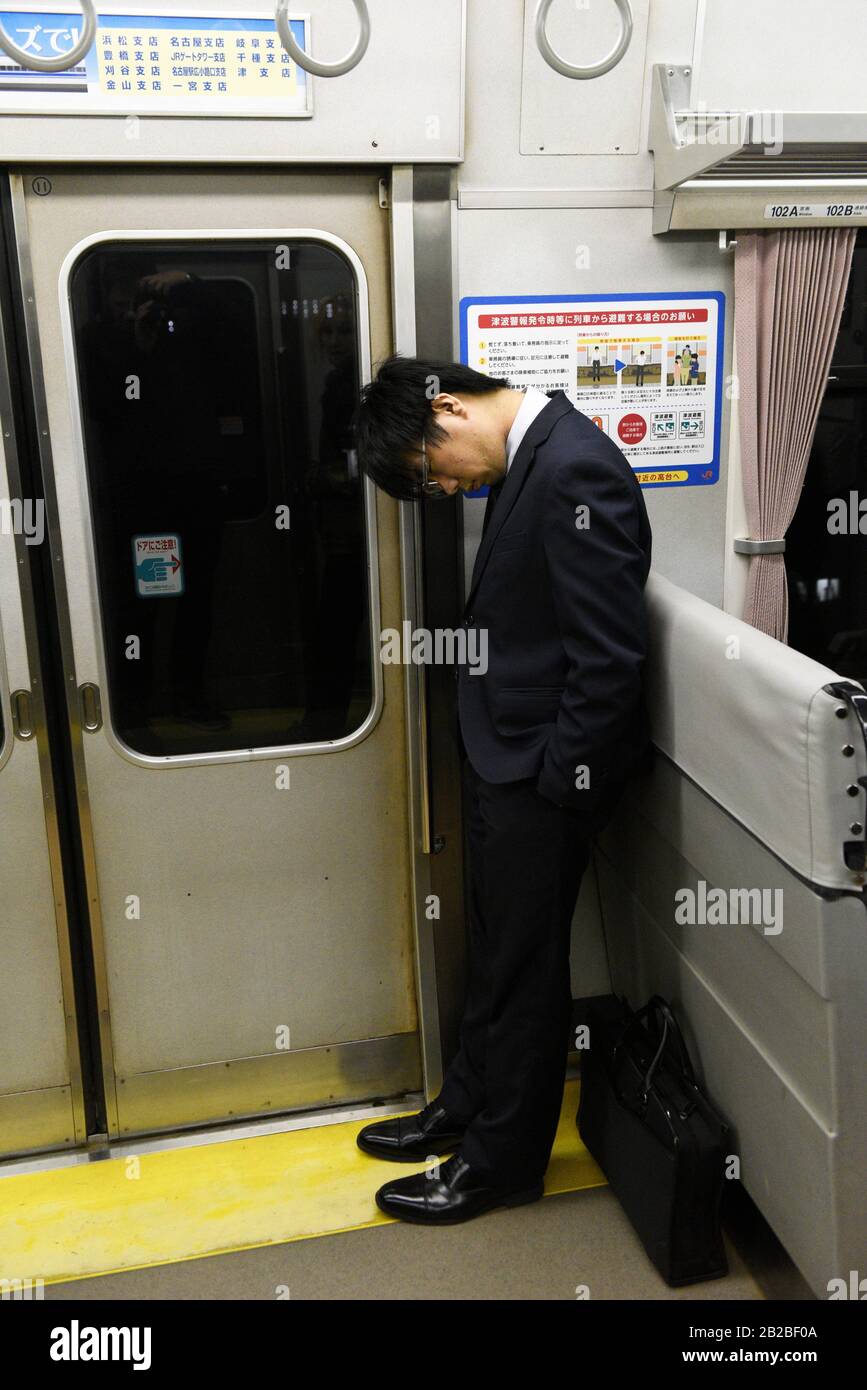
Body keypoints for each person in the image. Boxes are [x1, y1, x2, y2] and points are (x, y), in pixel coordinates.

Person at [351, 356, 652, 1225]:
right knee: (492, 947)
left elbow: (609, 658)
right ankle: (466, 1105)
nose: (441, 489)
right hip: (505, 758)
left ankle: (501, 1162)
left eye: (428, 471)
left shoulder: (573, 467)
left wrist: (560, 782)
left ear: (448, 407)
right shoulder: (534, 460)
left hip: (541, 777)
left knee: (524, 969)